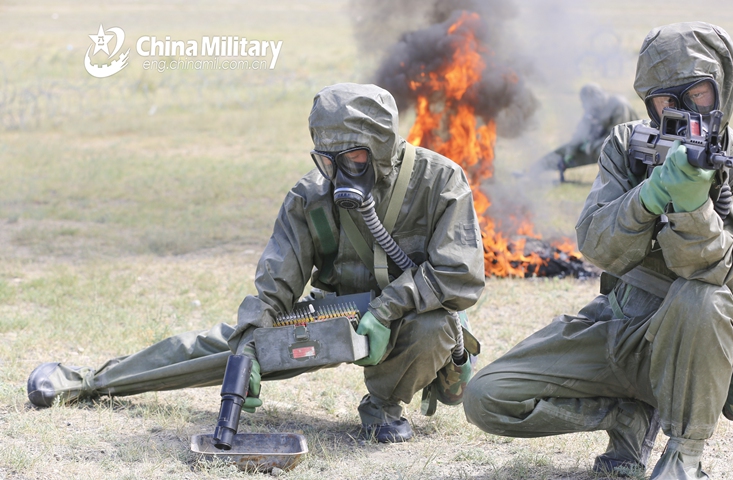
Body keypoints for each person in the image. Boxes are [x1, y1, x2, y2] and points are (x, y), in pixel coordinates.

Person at [26, 83, 486, 443]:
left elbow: (459, 275)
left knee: (436, 327)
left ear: (383, 147)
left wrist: (387, 310)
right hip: (334, 314)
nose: (341, 169)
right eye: (329, 159)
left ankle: (385, 407)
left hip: (409, 321)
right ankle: (88, 381)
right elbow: (274, 286)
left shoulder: (440, 182)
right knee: (228, 348)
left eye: (356, 156)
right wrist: (249, 341)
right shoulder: (311, 197)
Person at [463, 22, 733, 479]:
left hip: (690, 340)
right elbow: (597, 246)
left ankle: (684, 454)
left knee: (703, 297)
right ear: (648, 102)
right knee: (488, 397)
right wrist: (649, 197)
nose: (682, 110)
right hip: (615, 324)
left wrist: (691, 206)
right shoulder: (627, 143)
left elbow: (718, 270)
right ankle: (625, 418)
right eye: (666, 100)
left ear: (723, 87)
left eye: (698, 93)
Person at [539, 83, 640, 182]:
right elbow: (580, 133)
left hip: (627, 148)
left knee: (602, 149)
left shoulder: (619, 105)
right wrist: (569, 152)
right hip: (601, 144)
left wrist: (590, 146)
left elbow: (617, 140)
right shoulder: (594, 108)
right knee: (564, 150)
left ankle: (617, 180)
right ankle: (535, 169)